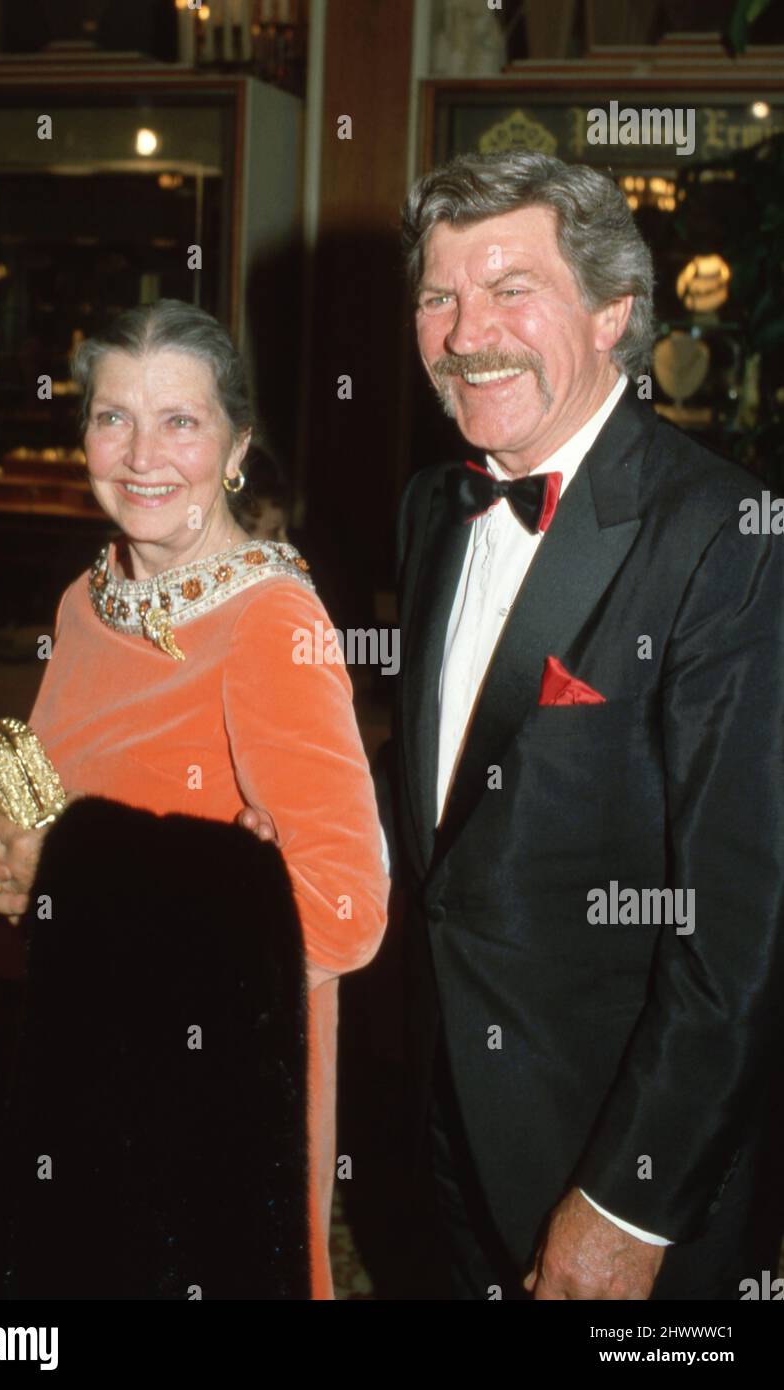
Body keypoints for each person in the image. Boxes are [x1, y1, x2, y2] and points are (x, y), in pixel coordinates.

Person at [388, 150, 784, 1300]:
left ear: (614, 314)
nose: (467, 333)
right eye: (437, 296)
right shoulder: (432, 505)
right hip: (442, 1123)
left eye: (512, 289)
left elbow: (744, 930)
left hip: (619, 1166)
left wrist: (628, 1201)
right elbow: (451, 816)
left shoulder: (731, 537)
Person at [0, 298, 390, 1300]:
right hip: (79, 1064)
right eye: (113, 418)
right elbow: (85, 838)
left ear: (236, 447)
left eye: (180, 422)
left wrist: (84, 879)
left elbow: (346, 911)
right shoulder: (86, 598)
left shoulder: (273, 624)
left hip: (216, 1112)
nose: (142, 454)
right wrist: (14, 870)